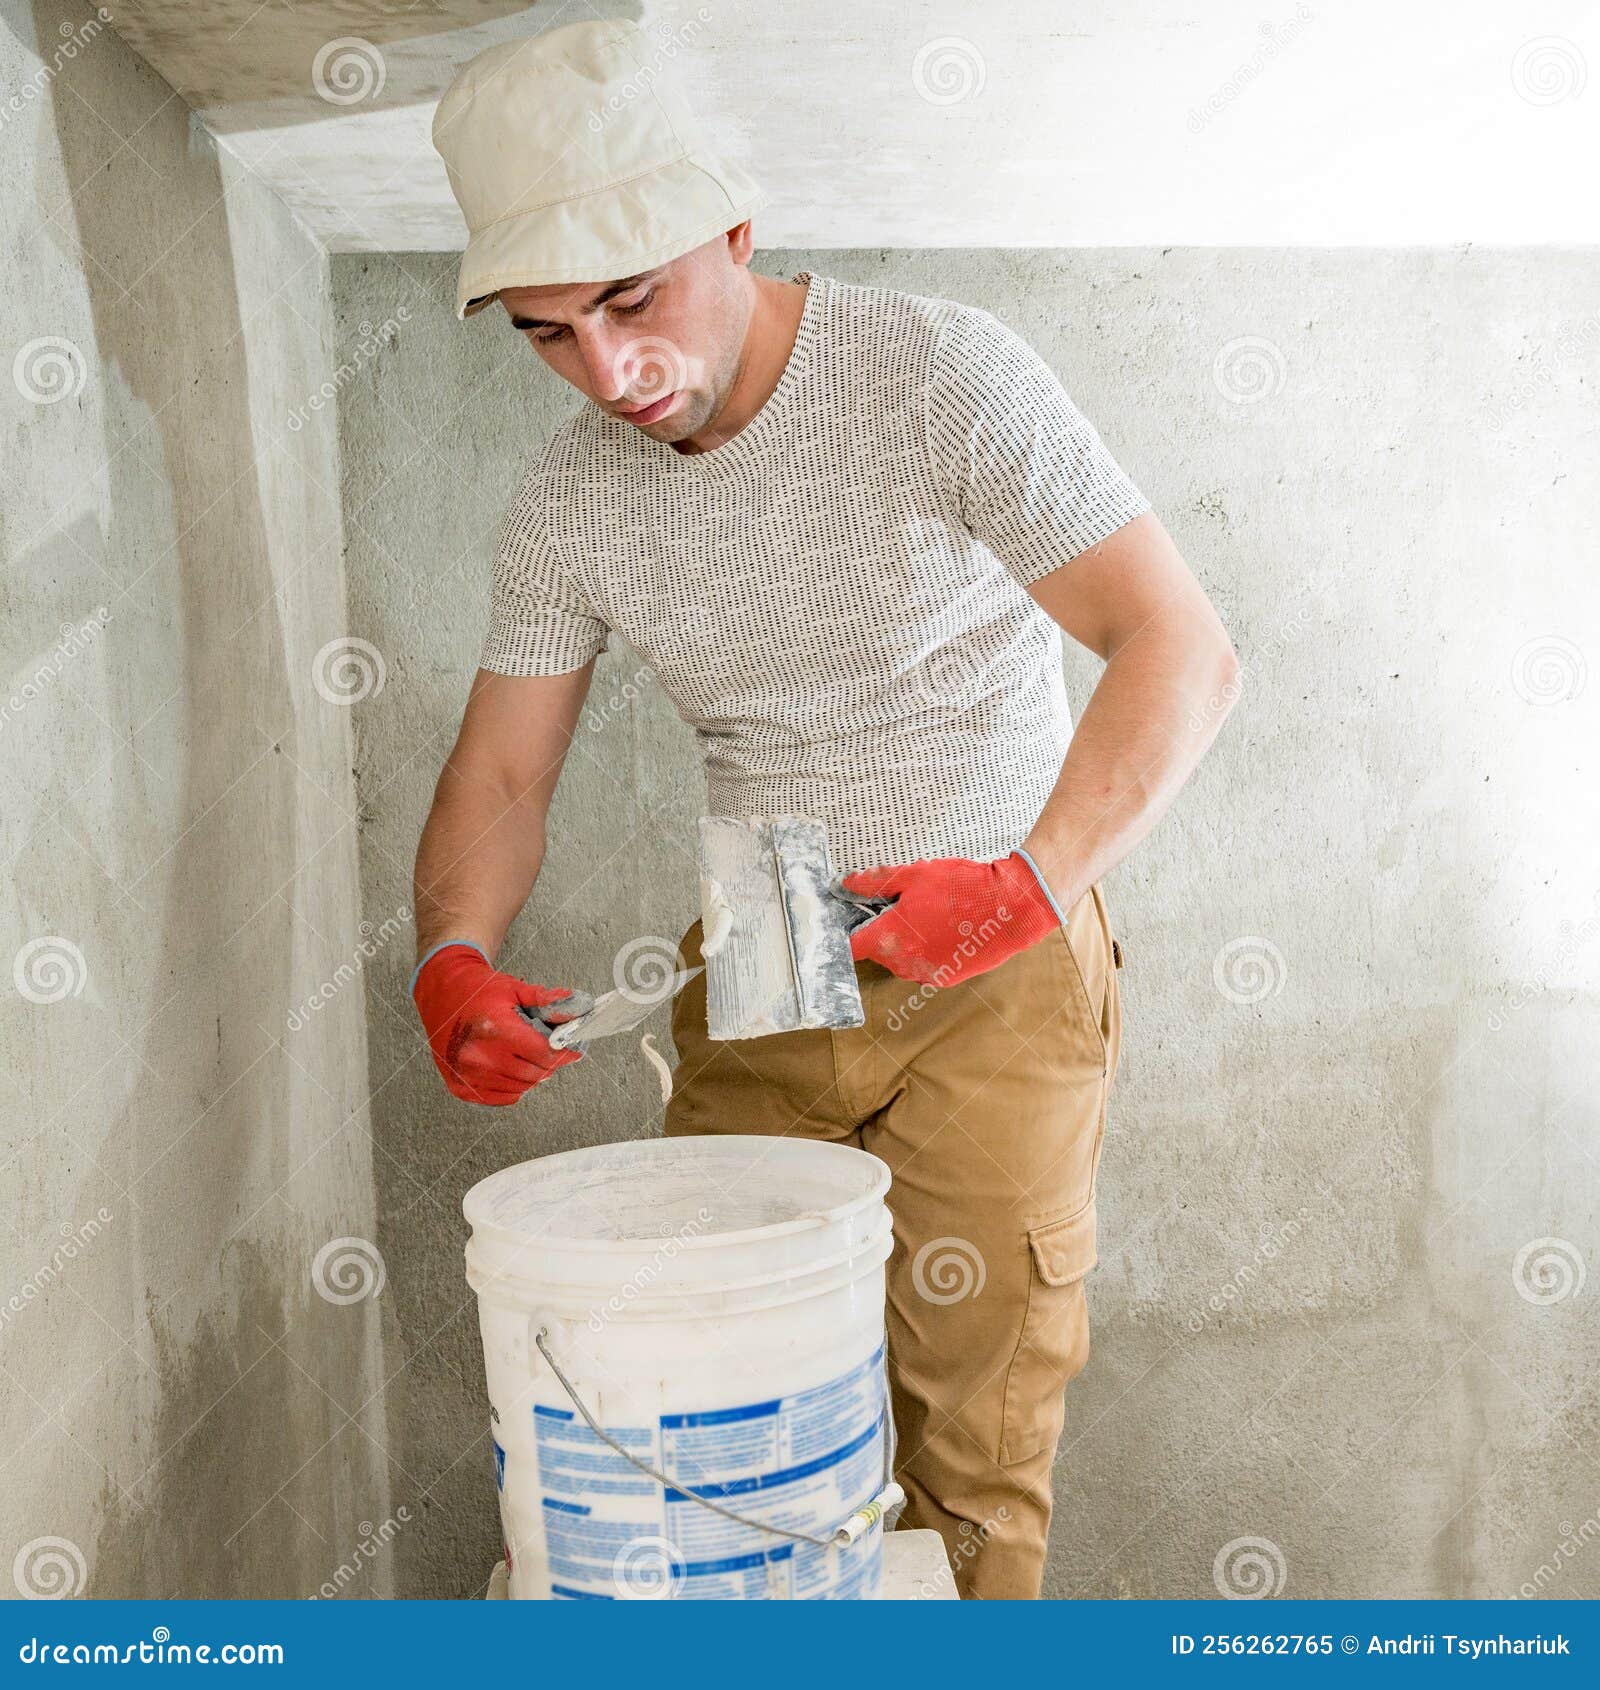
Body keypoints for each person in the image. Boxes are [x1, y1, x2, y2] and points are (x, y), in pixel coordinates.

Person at [414, 20, 1238, 1599]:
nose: (611, 372)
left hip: (998, 957)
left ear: (735, 228)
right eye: (545, 333)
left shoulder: (938, 373)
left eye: (632, 299)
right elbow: (505, 772)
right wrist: (455, 947)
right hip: (766, 961)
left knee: (969, 1439)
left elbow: (1181, 648)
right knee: (708, 1404)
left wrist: (1028, 881)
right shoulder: (567, 500)